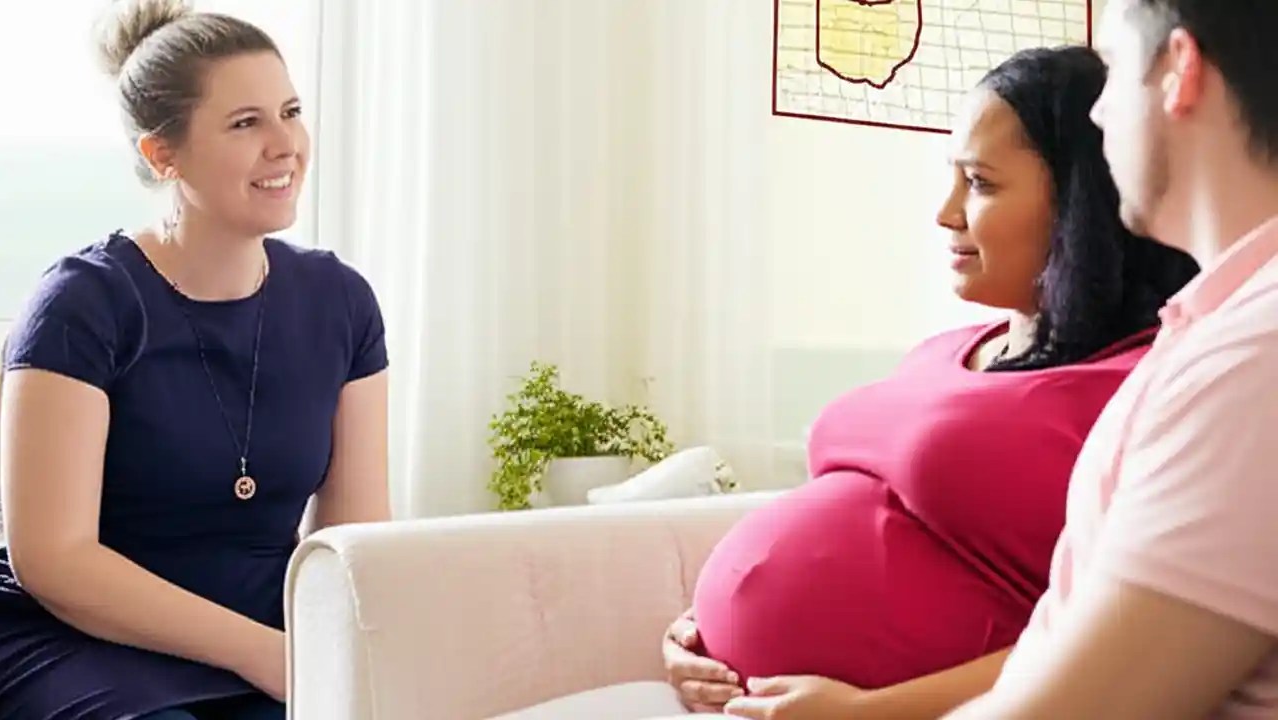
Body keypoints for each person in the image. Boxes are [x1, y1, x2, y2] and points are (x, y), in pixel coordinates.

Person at [495, 45, 1199, 720]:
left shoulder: (1145, 384)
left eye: (979, 183)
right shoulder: (950, 349)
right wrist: (699, 631)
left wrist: (870, 712)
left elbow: (1110, 642)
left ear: (1082, 207)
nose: (946, 212)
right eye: (952, 177)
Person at [0, 0, 390, 718]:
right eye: (246, 123)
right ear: (161, 154)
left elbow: (351, 543)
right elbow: (53, 559)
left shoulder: (342, 302)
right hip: (78, 636)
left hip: (268, 635)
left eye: (291, 111)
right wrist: (265, 654)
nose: (287, 144)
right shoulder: (81, 304)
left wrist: (330, 656)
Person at [944, 2, 1278, 718]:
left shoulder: (1257, 357)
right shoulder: (1217, 321)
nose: (1097, 118)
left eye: (1116, 71)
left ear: (1178, 73)